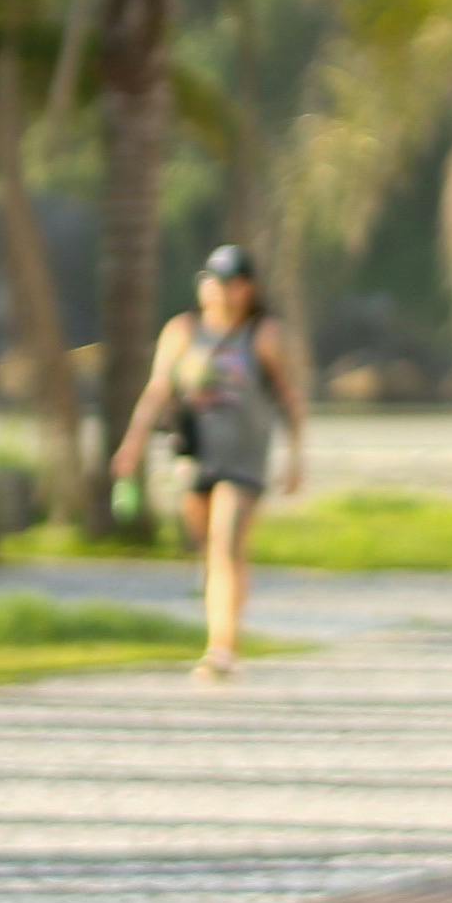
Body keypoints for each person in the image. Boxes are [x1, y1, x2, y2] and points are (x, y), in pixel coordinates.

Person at [110, 245, 305, 679]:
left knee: (223, 542)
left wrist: (296, 458)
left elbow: (290, 399)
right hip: (196, 455)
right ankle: (228, 621)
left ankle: (221, 648)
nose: (224, 292)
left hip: (245, 457)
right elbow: (157, 391)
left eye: (234, 283)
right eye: (217, 282)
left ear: (249, 289)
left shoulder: (263, 336)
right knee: (209, 549)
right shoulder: (182, 332)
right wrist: (132, 446)